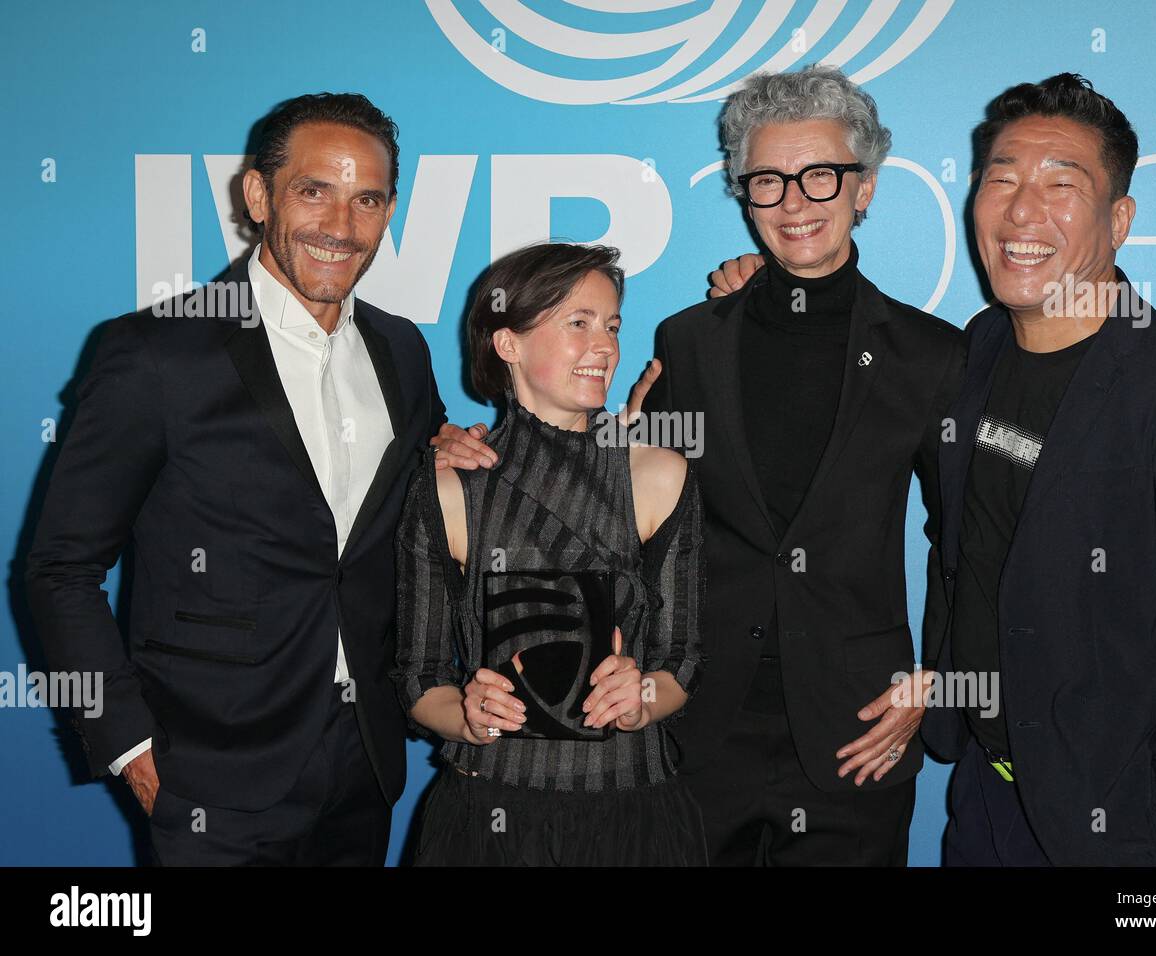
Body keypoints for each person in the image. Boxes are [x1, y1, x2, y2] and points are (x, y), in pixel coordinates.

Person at [715, 74, 1156, 866]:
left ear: (1119, 219)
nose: (1022, 211)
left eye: (1060, 185)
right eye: (1002, 180)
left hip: (1118, 826)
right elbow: (963, 548)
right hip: (981, 797)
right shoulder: (972, 351)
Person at [434, 66, 964, 866]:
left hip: (856, 728)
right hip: (692, 722)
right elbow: (607, 496)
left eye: (820, 176)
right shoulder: (691, 340)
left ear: (866, 189)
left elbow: (973, 537)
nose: (793, 202)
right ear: (741, 192)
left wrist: (940, 681)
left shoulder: (931, 356)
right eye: (767, 181)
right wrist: (457, 446)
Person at [25, 92, 444, 865]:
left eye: (368, 199)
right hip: (208, 773)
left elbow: (423, 514)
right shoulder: (156, 354)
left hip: (366, 759)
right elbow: (60, 569)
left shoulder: (402, 352)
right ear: (258, 195)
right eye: (313, 190)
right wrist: (126, 744)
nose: (341, 227)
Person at [394, 242, 707, 866]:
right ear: (506, 343)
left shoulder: (660, 473)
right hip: (488, 822)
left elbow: (683, 659)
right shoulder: (448, 485)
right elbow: (417, 674)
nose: (607, 346)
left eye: (612, 325)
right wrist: (465, 714)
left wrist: (641, 695)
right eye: (579, 323)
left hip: (634, 816)